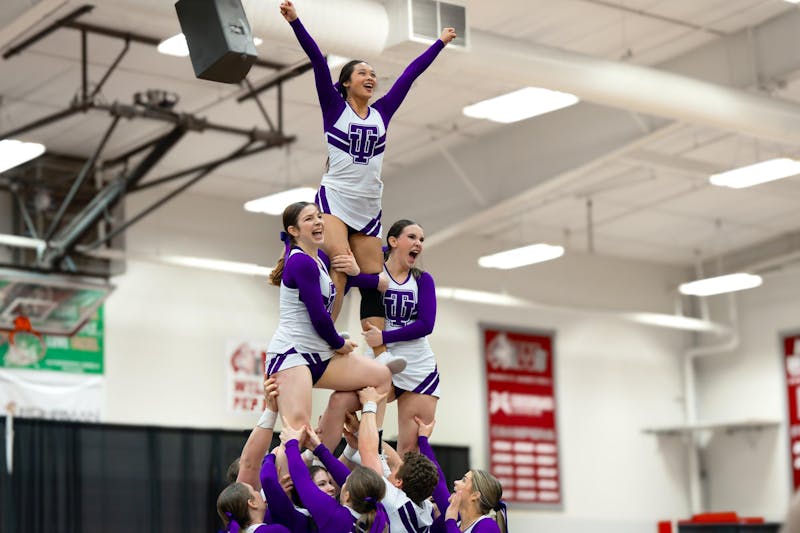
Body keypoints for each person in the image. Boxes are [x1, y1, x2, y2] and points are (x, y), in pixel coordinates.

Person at [278, 1, 456, 368]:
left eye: (373, 73)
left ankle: (380, 353)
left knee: (377, 280)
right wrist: (296, 22)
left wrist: (438, 43)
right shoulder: (334, 108)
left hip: (369, 206)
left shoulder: (383, 113)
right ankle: (327, 342)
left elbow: (410, 75)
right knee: (342, 267)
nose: (371, 77)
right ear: (346, 83)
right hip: (336, 200)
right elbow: (315, 58)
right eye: (362, 72)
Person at [265, 201, 393, 448]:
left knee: (381, 377)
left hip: (320, 352)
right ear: (293, 231)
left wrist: (373, 279)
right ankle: (286, 480)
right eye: (309, 219)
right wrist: (339, 343)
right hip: (294, 355)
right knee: (299, 434)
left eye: (319, 216)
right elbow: (318, 316)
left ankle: (351, 452)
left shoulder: (320, 262)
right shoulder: (300, 262)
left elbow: (347, 283)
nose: (318, 222)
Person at [322, 219, 439, 456]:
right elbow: (348, 279)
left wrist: (385, 335)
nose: (418, 243)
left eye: (421, 240)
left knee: (410, 450)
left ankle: (398, 487)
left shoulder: (422, 280)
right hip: (378, 356)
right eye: (412, 237)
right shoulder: (375, 267)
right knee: (340, 402)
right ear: (393, 241)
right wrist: (360, 273)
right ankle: (317, 459)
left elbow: (426, 325)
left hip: (416, 365)